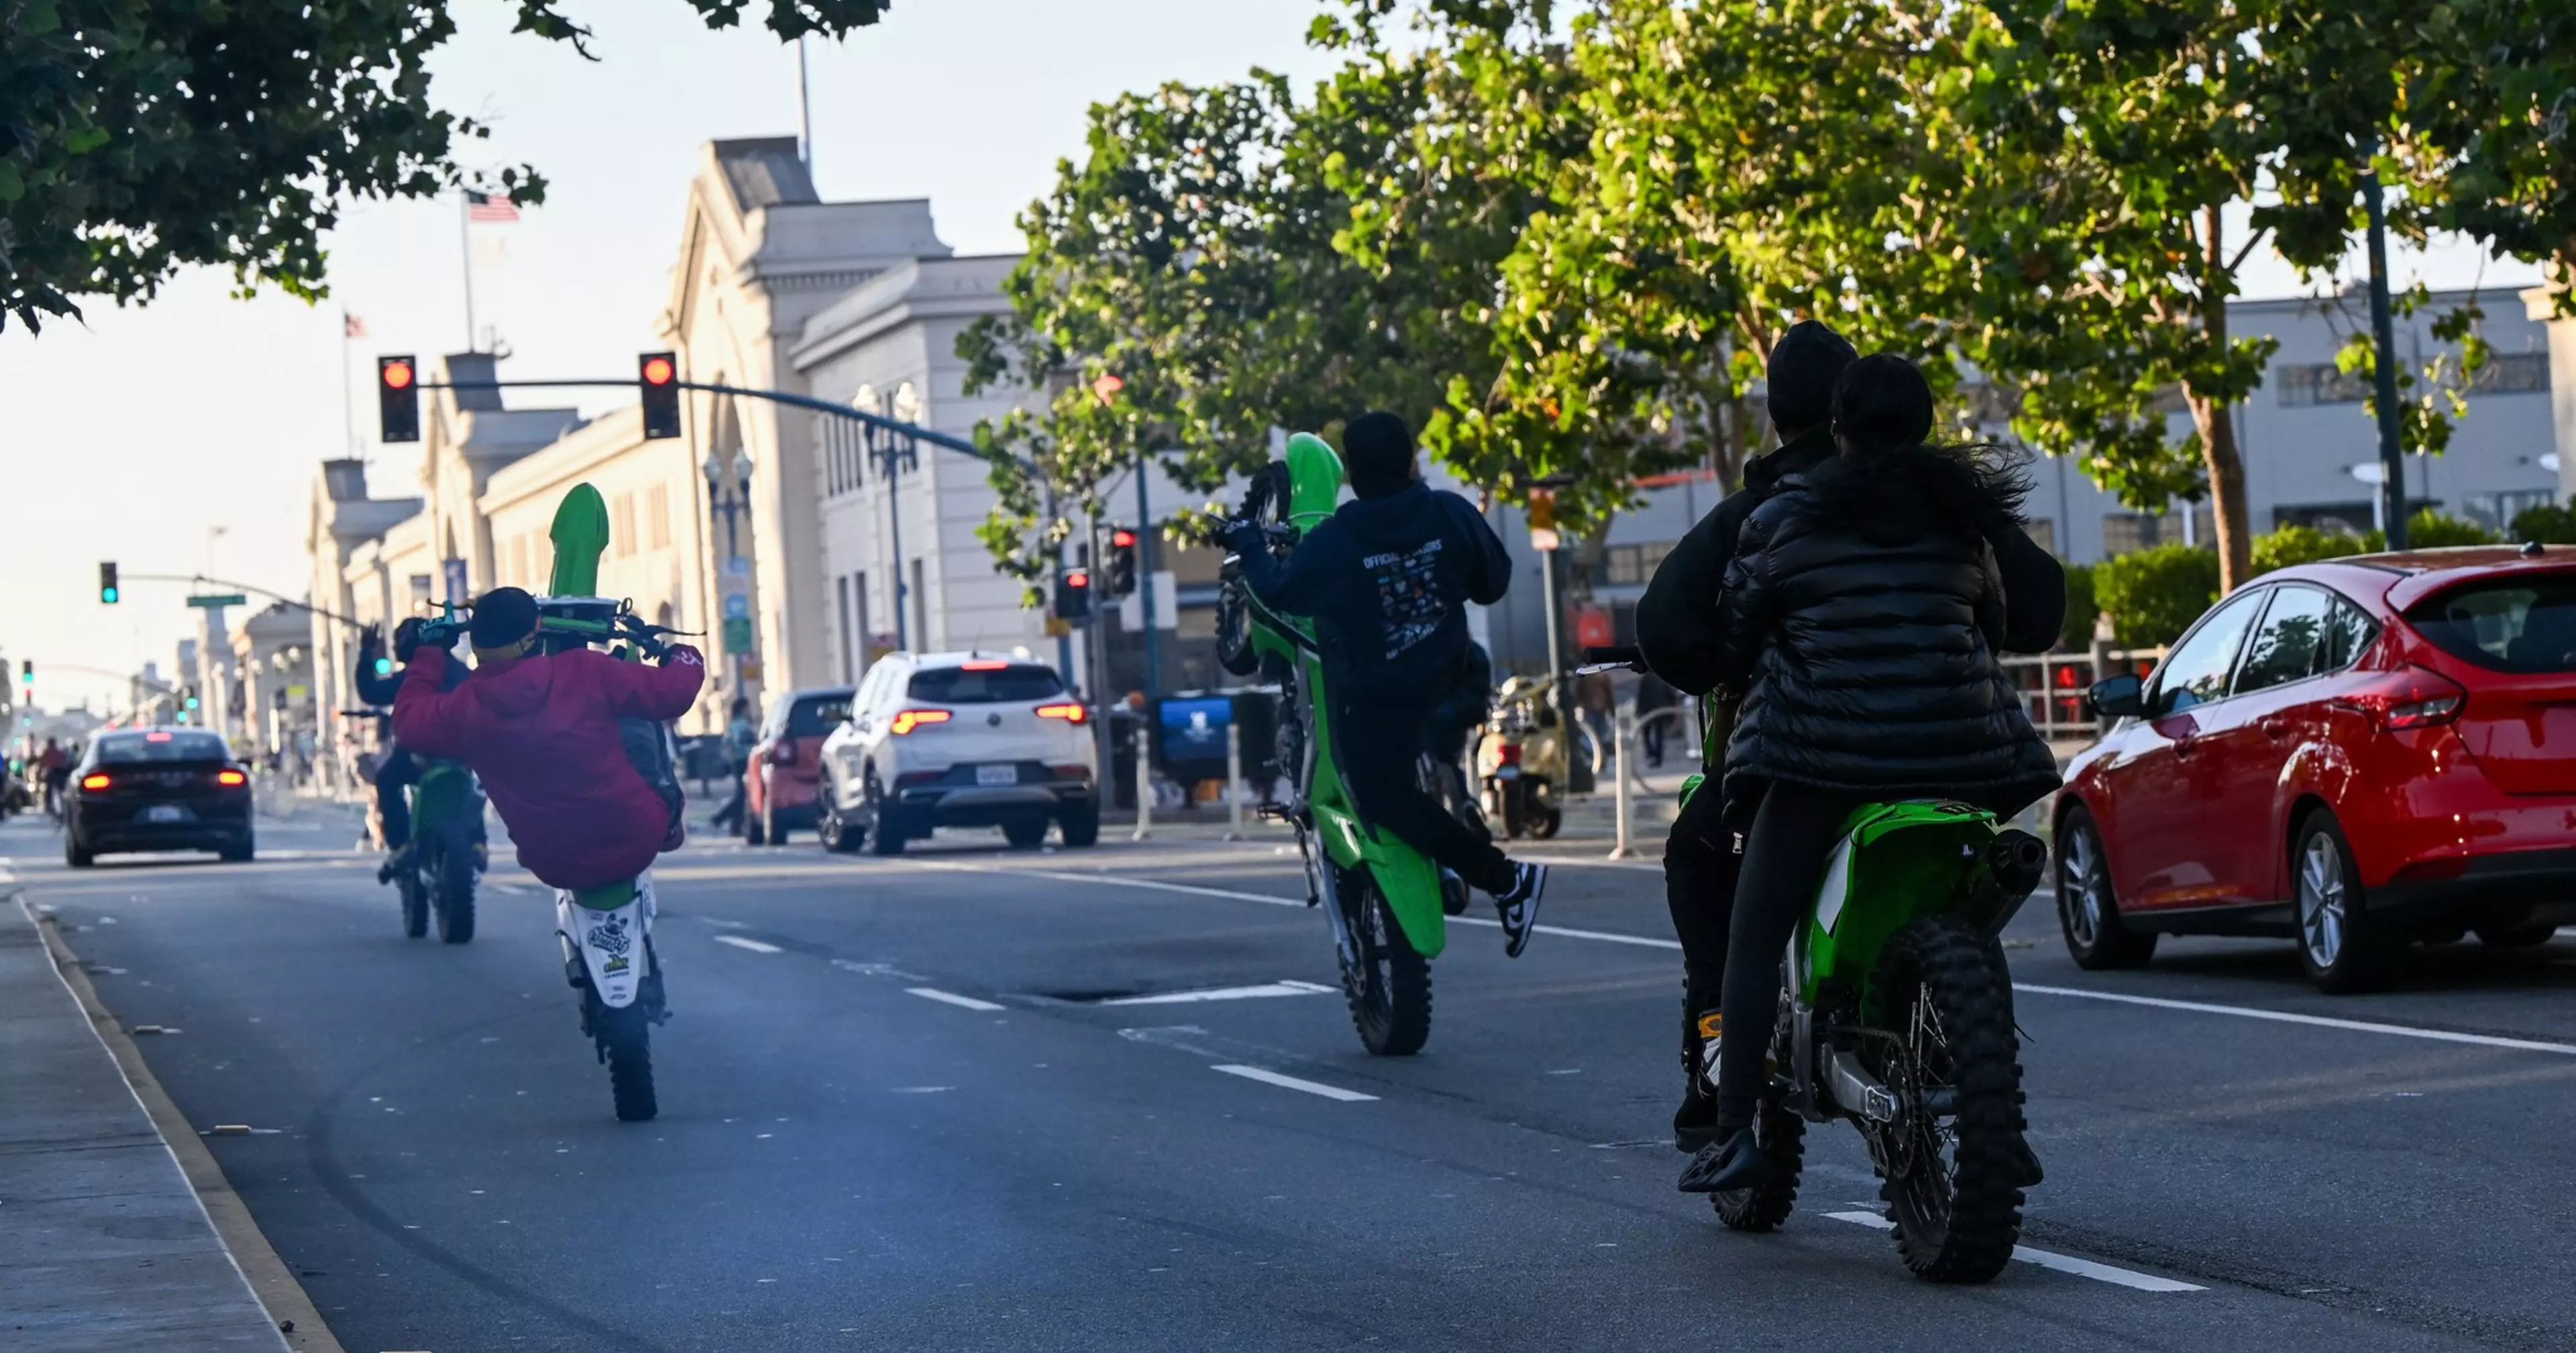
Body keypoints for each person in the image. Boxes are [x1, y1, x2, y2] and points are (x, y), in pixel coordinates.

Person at [1637, 321, 2064, 1152]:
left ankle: (1731, 1131)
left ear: (1830, 422)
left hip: (1822, 760)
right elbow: (2024, 615)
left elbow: (1714, 633)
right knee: (1973, 925)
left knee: (1753, 927)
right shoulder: (1962, 517)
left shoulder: (1777, 516)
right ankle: (2002, 1132)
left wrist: (1738, 660)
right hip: (1966, 758)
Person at [1222, 411, 1549, 955]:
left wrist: (1249, 543)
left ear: (1351, 472)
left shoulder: (1339, 538)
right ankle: (1452, 806)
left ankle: (1506, 878)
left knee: (1378, 792)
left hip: (1386, 699)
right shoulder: (1449, 511)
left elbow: (1278, 591)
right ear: (1412, 461)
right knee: (1428, 747)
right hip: (1455, 682)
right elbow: (1493, 585)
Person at [392, 588, 706, 891]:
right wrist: (682, 655)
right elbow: (675, 693)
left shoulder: (464, 708)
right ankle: (670, 823)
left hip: (552, 862)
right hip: (640, 838)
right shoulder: (587, 671)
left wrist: (430, 652)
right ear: (537, 629)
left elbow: (406, 723)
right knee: (638, 714)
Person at [710, 697, 755, 834]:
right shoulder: (741, 724)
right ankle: (720, 818)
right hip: (743, 761)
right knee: (742, 796)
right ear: (743, 709)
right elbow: (742, 739)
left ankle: (735, 827)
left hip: (737, 761)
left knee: (743, 796)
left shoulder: (734, 723)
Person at [1633, 670, 1676, 769]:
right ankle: (1658, 758)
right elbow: (1670, 694)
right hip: (1660, 709)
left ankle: (1651, 755)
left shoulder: (1645, 678)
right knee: (1659, 734)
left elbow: (1640, 695)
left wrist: (1638, 710)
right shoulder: (1662, 677)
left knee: (1646, 734)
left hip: (1647, 709)